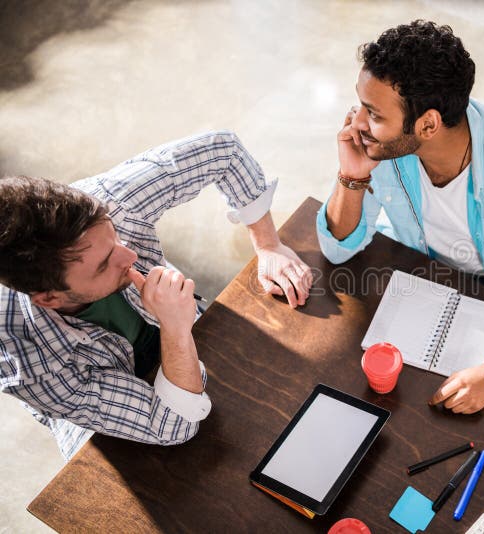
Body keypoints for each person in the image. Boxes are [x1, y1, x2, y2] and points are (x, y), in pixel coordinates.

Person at [316, 20, 484, 414]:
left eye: (373, 114)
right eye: (360, 105)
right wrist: (352, 177)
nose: (356, 123)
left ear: (428, 124)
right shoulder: (381, 146)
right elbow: (339, 249)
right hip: (416, 283)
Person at [0, 131, 312, 460]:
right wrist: (175, 328)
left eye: (115, 236)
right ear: (49, 298)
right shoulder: (26, 363)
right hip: (98, 411)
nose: (128, 256)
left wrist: (267, 244)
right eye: (105, 265)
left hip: (180, 327)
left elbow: (223, 150)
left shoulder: (110, 201)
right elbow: (175, 425)